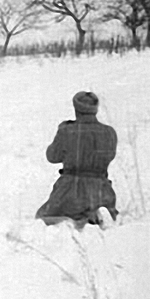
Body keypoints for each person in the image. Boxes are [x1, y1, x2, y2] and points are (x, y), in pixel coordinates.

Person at [36, 91, 118, 226]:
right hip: (102, 189)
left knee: (46, 219)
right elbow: (110, 156)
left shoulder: (67, 130)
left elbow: (52, 156)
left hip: (71, 188)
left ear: (76, 109)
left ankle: (83, 220)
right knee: (86, 214)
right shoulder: (109, 132)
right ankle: (95, 215)